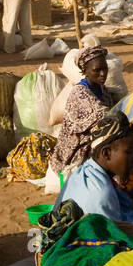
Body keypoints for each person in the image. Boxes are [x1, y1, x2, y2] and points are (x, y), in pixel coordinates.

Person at [57, 113, 133, 225]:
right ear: (106, 153)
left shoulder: (82, 172)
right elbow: (119, 235)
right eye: (129, 152)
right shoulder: (101, 195)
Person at [49, 46, 115, 177]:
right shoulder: (80, 93)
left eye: (105, 68)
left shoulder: (102, 89)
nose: (103, 74)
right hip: (76, 150)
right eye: (97, 70)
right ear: (85, 71)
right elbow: (103, 115)